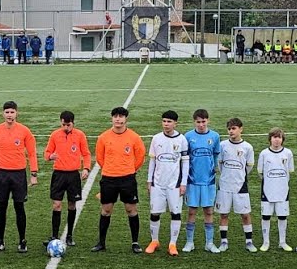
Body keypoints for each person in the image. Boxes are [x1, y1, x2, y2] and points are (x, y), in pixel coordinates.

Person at [0, 100, 39, 252]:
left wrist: (33, 173)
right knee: (1, 207)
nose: (9, 115)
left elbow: (32, 153)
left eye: (12, 112)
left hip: (19, 174)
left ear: (17, 113)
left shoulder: (24, 131)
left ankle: (22, 241)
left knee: (19, 207)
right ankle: (0, 241)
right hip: (1, 173)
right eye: (7, 112)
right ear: (3, 114)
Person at [92, 106, 146, 252]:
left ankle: (135, 243)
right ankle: (101, 243)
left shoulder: (134, 137)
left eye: (121, 116)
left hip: (127, 179)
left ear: (125, 119)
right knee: (106, 210)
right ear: (112, 118)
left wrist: (129, 169)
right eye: (115, 116)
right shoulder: (103, 137)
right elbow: (100, 158)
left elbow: (140, 157)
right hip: (109, 178)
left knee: (131, 209)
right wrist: (110, 169)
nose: (118, 119)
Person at [43, 110, 92, 246]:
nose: (65, 127)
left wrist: (86, 168)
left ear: (73, 123)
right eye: (63, 125)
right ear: (61, 122)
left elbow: (86, 154)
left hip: (73, 175)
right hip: (58, 175)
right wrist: (50, 156)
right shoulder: (55, 135)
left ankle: (69, 235)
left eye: (68, 125)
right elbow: (47, 153)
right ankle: (54, 236)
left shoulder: (80, 135)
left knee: (72, 204)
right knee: (56, 204)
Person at [145, 110, 189, 255]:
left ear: (175, 123)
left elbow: (185, 163)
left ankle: (172, 244)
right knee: (155, 213)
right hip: (158, 183)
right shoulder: (156, 138)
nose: (166, 124)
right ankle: (154, 241)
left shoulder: (182, 139)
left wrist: (183, 183)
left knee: (175, 213)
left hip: (174, 184)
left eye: (169, 121)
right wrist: (149, 180)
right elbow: (152, 161)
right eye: (164, 121)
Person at [216, 118, 257, 252]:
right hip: (224, 185)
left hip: (240, 186)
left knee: (245, 214)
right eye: (229, 129)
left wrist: (239, 176)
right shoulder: (222, 145)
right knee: (224, 214)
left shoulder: (247, 147)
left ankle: (249, 242)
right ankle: (224, 241)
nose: (231, 131)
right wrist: (227, 175)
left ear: (241, 129)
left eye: (233, 128)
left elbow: (249, 166)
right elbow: (220, 164)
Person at [183, 108, 221, 252]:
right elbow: (185, 158)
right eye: (198, 122)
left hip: (209, 180)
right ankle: (189, 242)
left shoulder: (215, 136)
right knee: (191, 211)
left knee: (209, 211)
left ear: (208, 121)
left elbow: (216, 155)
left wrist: (214, 167)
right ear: (194, 122)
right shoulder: (188, 136)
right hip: (192, 180)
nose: (201, 125)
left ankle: (209, 243)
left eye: (203, 121)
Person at [257, 128, 295, 251]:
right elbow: (260, 172)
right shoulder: (264, 153)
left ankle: (282, 242)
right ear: (270, 139)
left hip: (283, 190)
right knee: (266, 216)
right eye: (274, 137)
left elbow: (289, 171)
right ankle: (266, 242)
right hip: (267, 190)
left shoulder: (288, 153)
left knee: (282, 216)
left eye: (279, 137)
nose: (277, 140)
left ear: (282, 139)